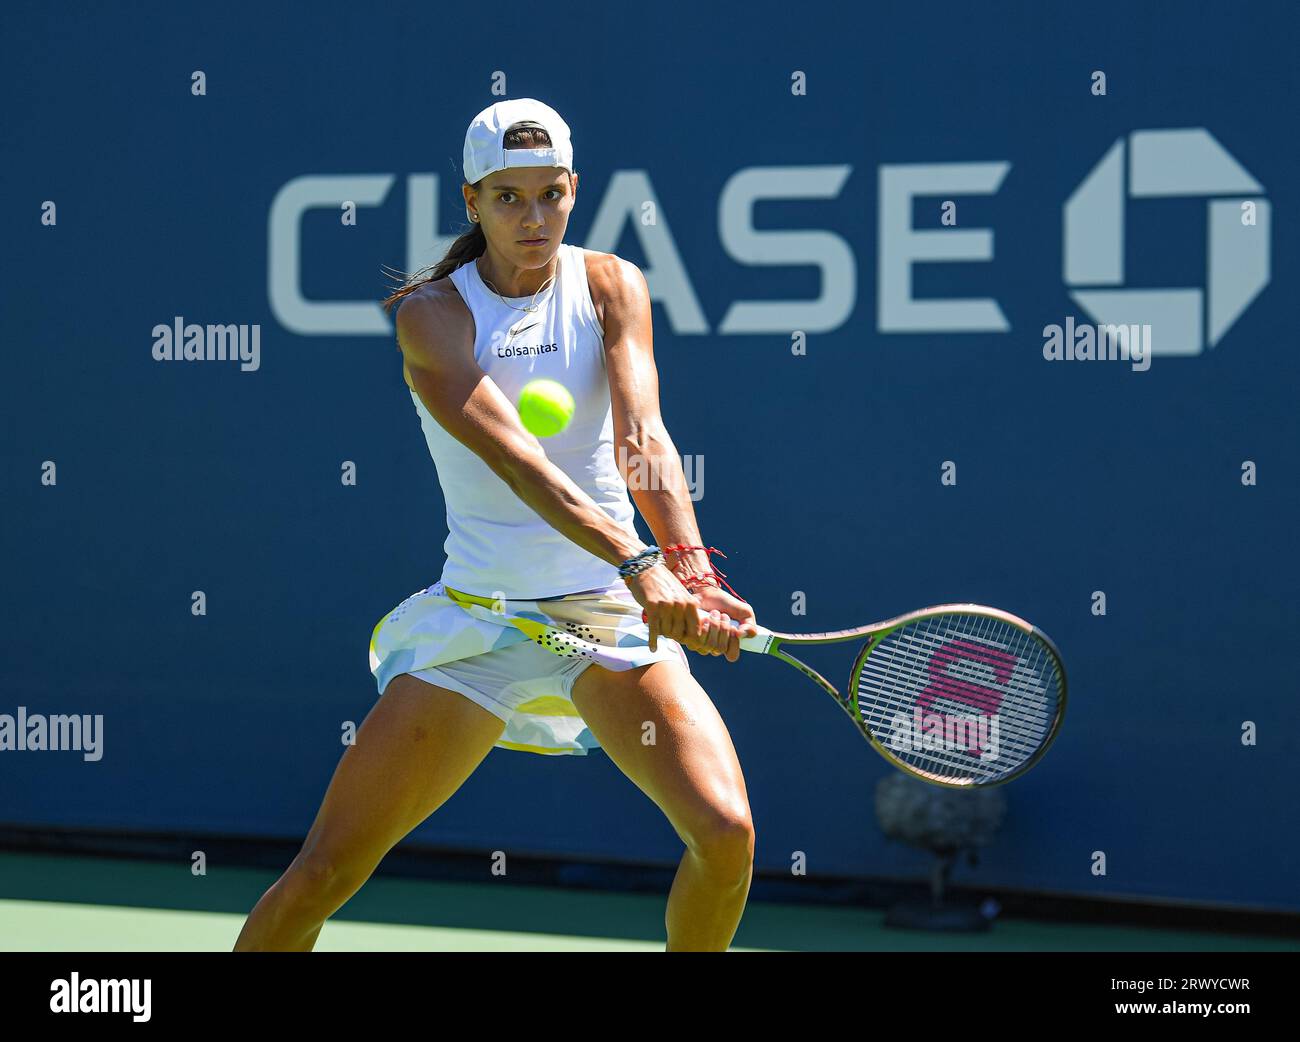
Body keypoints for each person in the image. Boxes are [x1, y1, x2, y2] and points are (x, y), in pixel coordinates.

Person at [234, 98, 759, 953]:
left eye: (551, 194)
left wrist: (692, 570)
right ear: (472, 201)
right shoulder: (431, 315)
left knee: (725, 834)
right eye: (509, 198)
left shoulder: (610, 284)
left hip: (599, 620)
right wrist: (642, 564)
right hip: (479, 623)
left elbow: (643, 439)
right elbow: (520, 464)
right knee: (327, 870)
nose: (535, 217)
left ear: (575, 191)